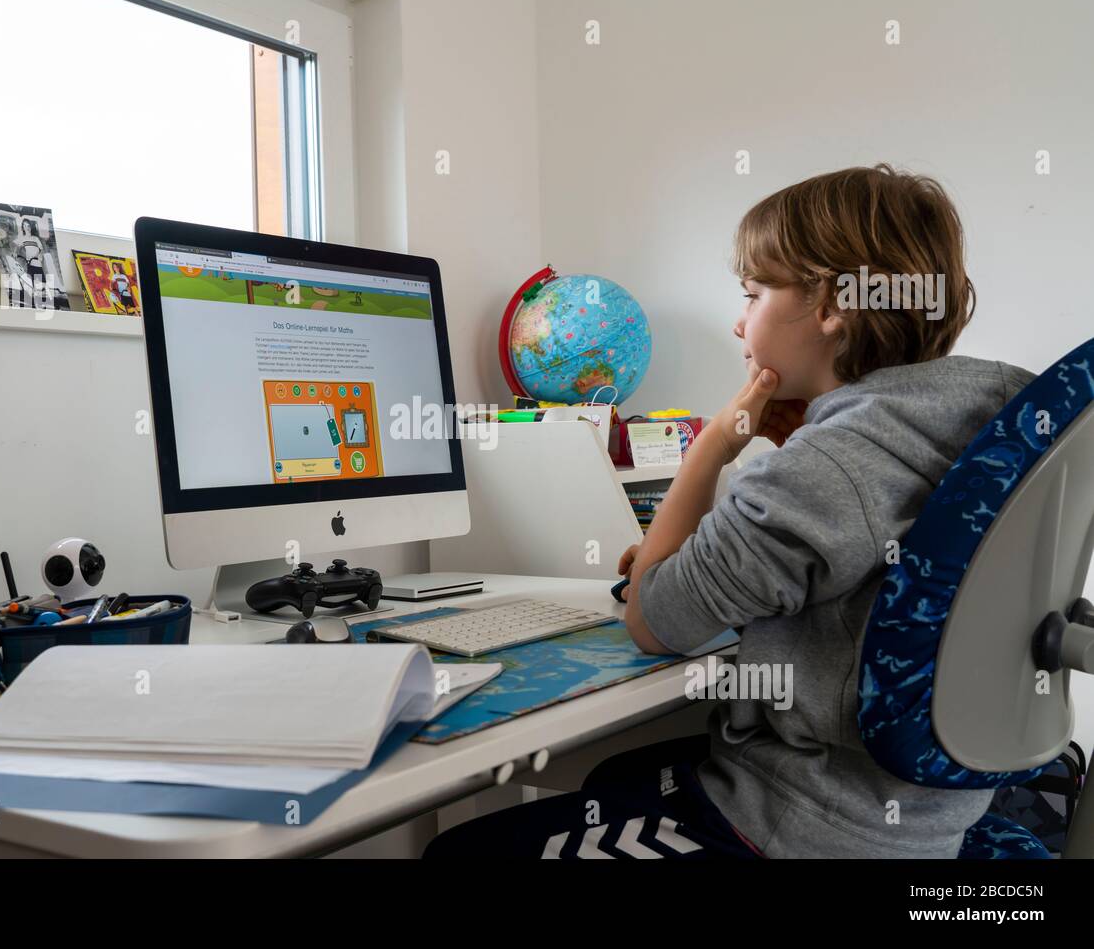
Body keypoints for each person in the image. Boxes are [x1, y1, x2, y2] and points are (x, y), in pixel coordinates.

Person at [425, 164, 1034, 859]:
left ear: (833, 306)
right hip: (925, 814)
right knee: (614, 776)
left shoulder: (825, 466)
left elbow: (653, 620)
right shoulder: (995, 425)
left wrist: (714, 444)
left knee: (464, 851)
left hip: (803, 823)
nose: (740, 320)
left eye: (754, 292)